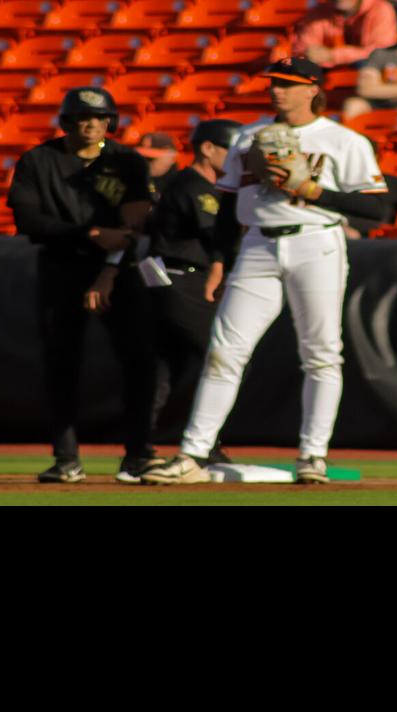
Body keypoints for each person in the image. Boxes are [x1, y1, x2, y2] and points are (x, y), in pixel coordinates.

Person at [143, 57, 390, 486]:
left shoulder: (343, 140)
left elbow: (375, 208)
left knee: (321, 353)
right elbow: (224, 209)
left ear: (313, 88)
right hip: (256, 243)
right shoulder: (246, 136)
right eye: (275, 82)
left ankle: (313, 455)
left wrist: (313, 190)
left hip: (317, 242)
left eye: (289, 84)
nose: (278, 90)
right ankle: (194, 453)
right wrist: (220, 259)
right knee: (225, 351)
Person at [7, 86, 159, 484]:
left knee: (139, 360)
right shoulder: (39, 160)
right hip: (61, 266)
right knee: (61, 363)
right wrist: (89, 233)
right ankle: (66, 457)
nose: (91, 124)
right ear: (66, 122)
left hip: (120, 269)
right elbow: (28, 220)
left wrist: (108, 266)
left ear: (111, 121)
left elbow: (133, 225)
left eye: (100, 117)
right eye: (81, 117)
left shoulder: (126, 161)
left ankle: (138, 454)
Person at [141, 118, 244, 459]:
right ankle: (205, 447)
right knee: (216, 355)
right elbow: (216, 234)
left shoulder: (205, 185)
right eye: (230, 149)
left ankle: (141, 448)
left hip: (177, 277)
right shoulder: (193, 186)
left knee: (165, 366)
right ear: (208, 148)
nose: (236, 157)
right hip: (181, 278)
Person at [293, 0, 397, 69]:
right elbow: (303, 48)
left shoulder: (381, 9)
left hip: (367, 72)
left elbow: (380, 53)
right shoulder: (318, 11)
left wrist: (332, 55)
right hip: (326, 69)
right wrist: (310, 53)